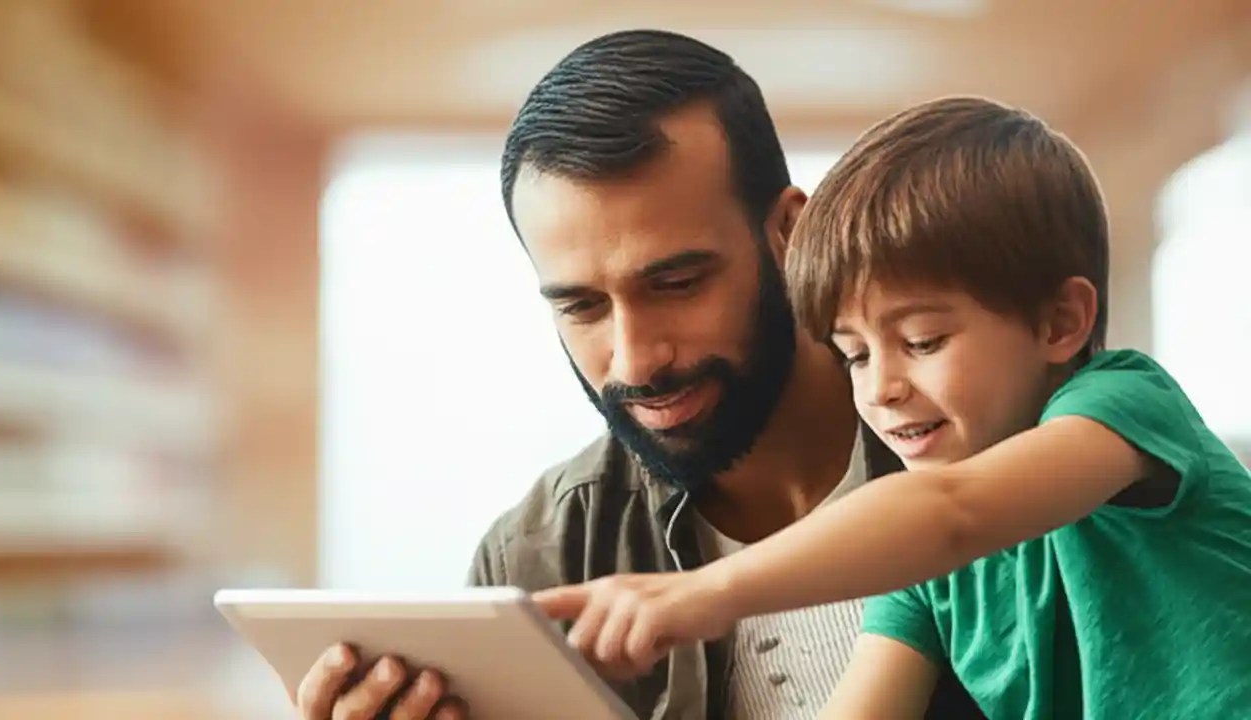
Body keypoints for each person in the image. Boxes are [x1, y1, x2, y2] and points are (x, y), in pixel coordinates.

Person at [291, 30, 981, 720]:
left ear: (788, 236)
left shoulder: (991, 444)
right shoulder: (537, 559)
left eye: (677, 283)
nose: (635, 360)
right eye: (582, 306)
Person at [533, 96, 1251, 718]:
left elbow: (954, 512)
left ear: (1061, 322)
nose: (881, 388)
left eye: (923, 340)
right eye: (854, 354)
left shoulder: (1124, 404)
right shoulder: (921, 569)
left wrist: (708, 593)